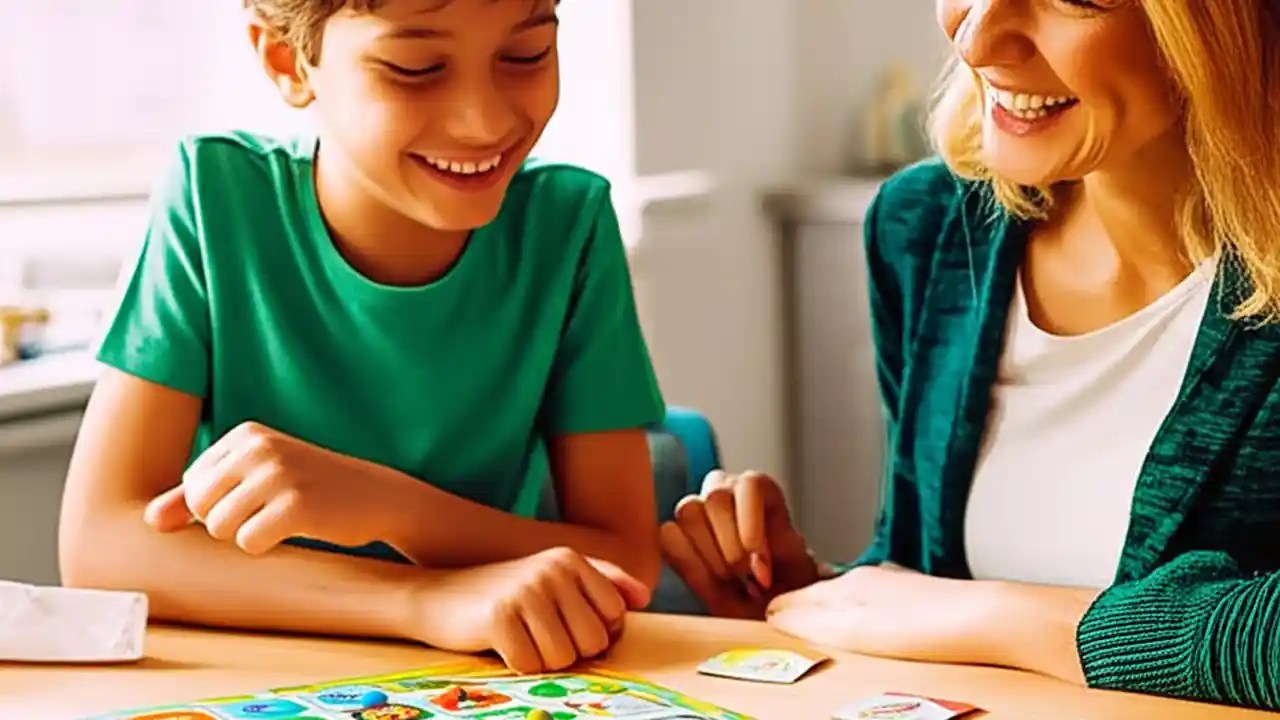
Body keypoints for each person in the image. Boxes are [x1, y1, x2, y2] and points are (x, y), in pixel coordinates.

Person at [661, 0, 1280, 711]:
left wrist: (1009, 619)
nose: (976, 35)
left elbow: (962, 613)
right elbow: (926, 580)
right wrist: (814, 598)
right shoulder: (926, 226)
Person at [59, 0, 666, 675]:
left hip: (483, 680)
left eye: (526, 56)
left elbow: (626, 562)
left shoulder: (568, 224)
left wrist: (389, 507)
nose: (485, 120)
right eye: (416, 68)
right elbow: (102, 547)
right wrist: (424, 600)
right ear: (289, 62)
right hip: (253, 676)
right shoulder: (213, 195)